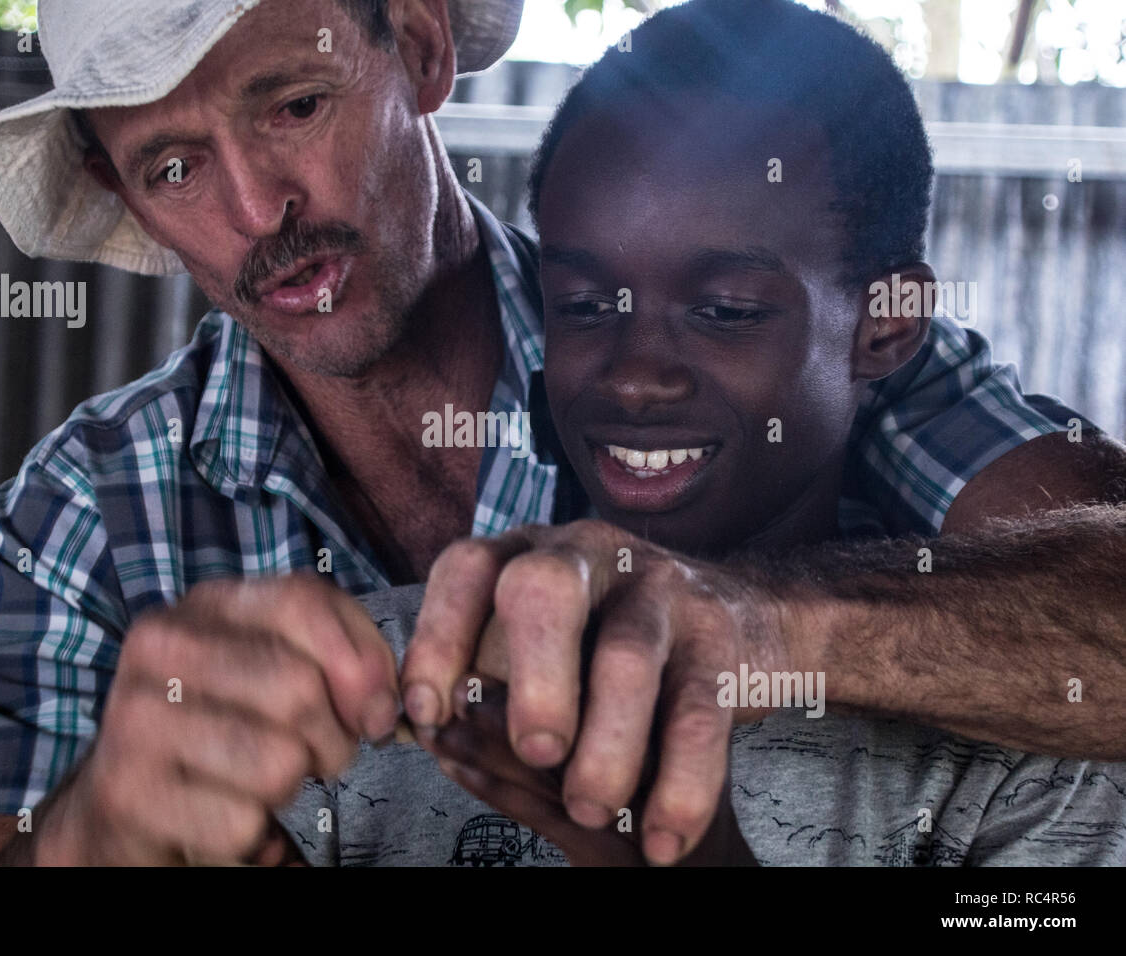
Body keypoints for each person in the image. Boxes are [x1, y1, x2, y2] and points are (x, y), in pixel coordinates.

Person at [0, 0, 1126, 866]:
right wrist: (79, 838)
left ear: (420, 49)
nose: (255, 209)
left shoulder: (794, 354)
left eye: (295, 103)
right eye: (171, 167)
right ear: (123, 197)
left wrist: (749, 615)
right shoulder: (88, 509)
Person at [401, 0, 1126, 865]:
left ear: (886, 328)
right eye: (585, 306)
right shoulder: (414, 679)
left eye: (724, 311)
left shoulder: (1041, 747)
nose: (635, 375)